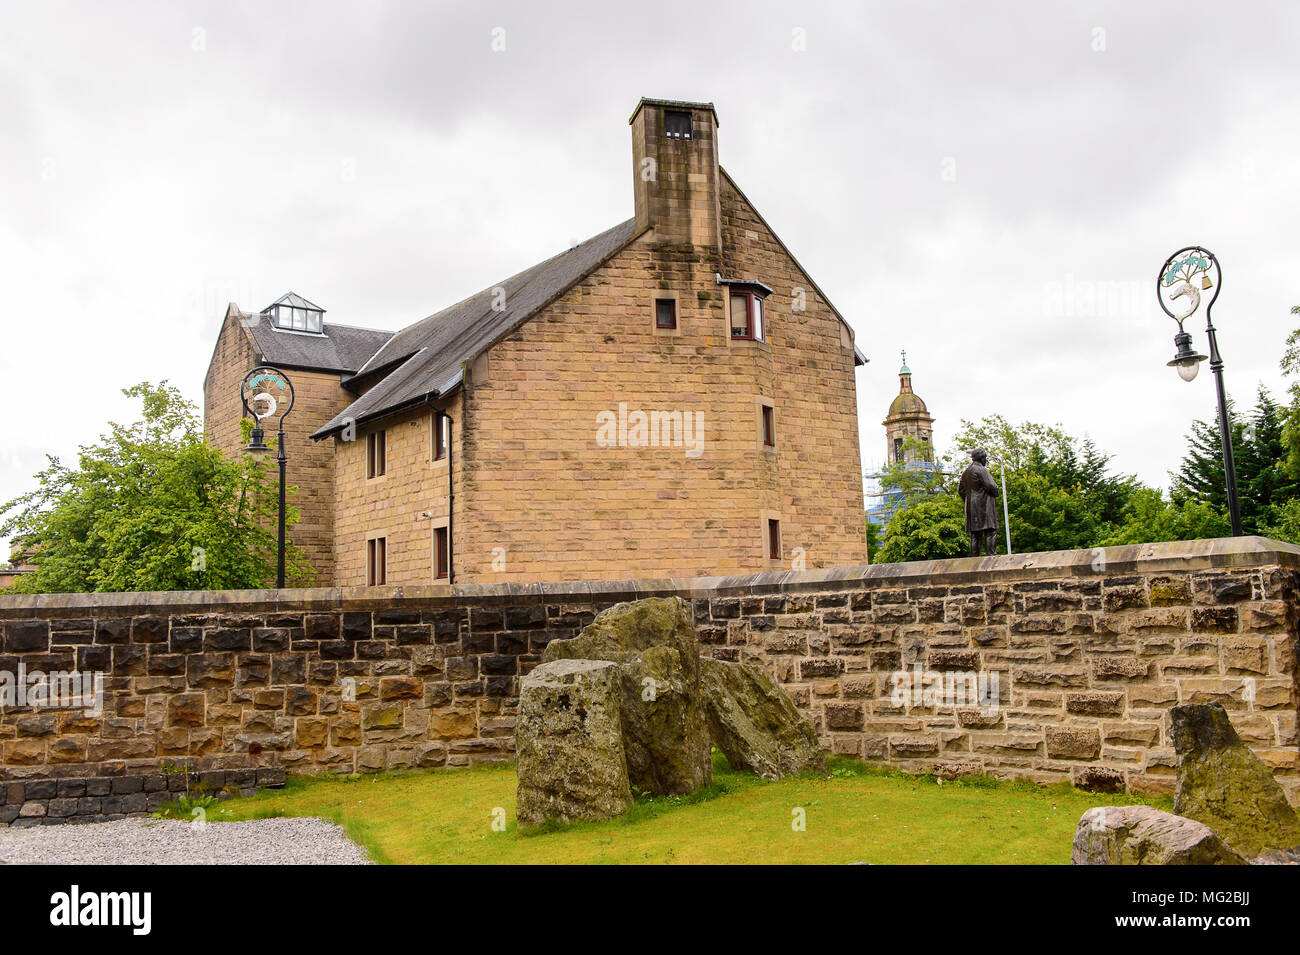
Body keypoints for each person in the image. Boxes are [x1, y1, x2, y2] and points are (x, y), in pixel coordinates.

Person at [958, 448, 999, 557]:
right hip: (984, 505)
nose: (986, 460)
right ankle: (992, 555)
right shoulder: (981, 470)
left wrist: (968, 500)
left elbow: (961, 490)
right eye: (985, 458)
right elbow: (991, 486)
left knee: (975, 534)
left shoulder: (966, 472)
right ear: (981, 458)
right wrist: (996, 492)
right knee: (991, 530)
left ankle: (974, 558)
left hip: (971, 507)